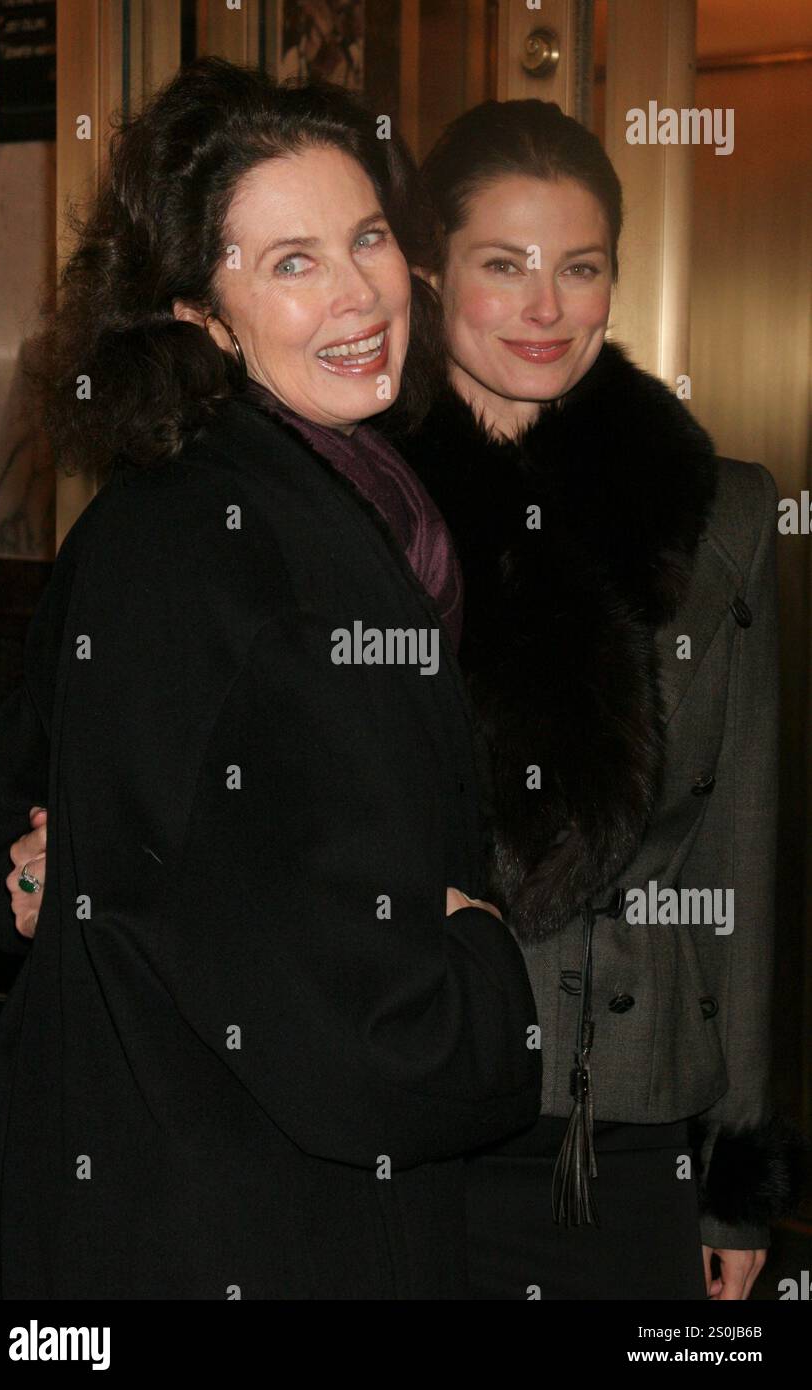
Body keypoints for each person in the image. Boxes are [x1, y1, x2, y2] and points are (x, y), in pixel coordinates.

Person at [0, 61, 542, 1300]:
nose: (358, 292)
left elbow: (37, 776)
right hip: (227, 1207)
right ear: (196, 319)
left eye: (366, 238)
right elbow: (338, 1004)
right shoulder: (214, 533)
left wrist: (55, 854)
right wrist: (482, 982)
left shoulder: (331, 490)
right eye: (290, 262)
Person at [386, 99, 802, 1299]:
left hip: (615, 1118)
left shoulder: (717, 516)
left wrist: (738, 1170)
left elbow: (742, 844)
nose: (544, 307)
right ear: (428, 272)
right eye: (502, 265)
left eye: (579, 268)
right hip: (406, 1098)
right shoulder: (358, 510)